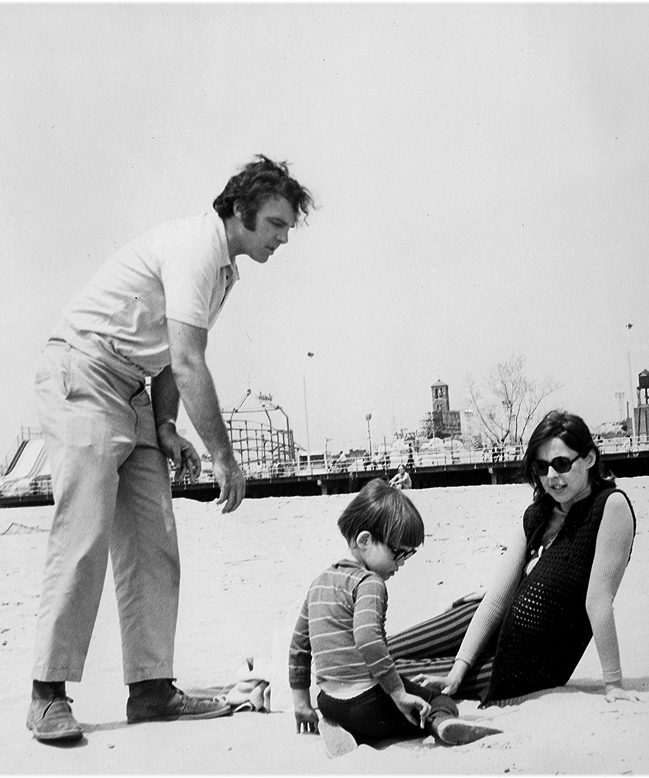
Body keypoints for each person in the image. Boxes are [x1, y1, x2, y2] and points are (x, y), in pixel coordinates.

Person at [27, 155, 314, 744]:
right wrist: (224, 458)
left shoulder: (224, 273)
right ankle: (46, 694)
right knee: (84, 532)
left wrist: (163, 425)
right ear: (240, 211)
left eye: (287, 228)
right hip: (84, 370)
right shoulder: (196, 249)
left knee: (154, 537)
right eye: (276, 224)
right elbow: (187, 361)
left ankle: (151, 690)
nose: (283, 238)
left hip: (132, 385)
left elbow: (163, 356)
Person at [386, 410, 641, 706]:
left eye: (562, 464)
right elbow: (497, 600)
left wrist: (613, 684)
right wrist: (458, 668)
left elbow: (598, 601)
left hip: (526, 662)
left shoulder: (610, 506)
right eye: (542, 467)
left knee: (383, 674)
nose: (552, 476)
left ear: (589, 458)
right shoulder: (537, 515)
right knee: (380, 651)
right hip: (488, 622)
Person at [289, 479, 501, 756]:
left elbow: (298, 647)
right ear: (365, 540)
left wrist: (302, 704)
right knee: (438, 701)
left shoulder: (318, 583)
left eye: (408, 554)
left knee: (355, 709)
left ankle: (338, 726)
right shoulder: (369, 583)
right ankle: (441, 723)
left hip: (328, 701)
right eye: (397, 552)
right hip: (368, 703)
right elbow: (367, 639)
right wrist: (399, 694)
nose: (401, 563)